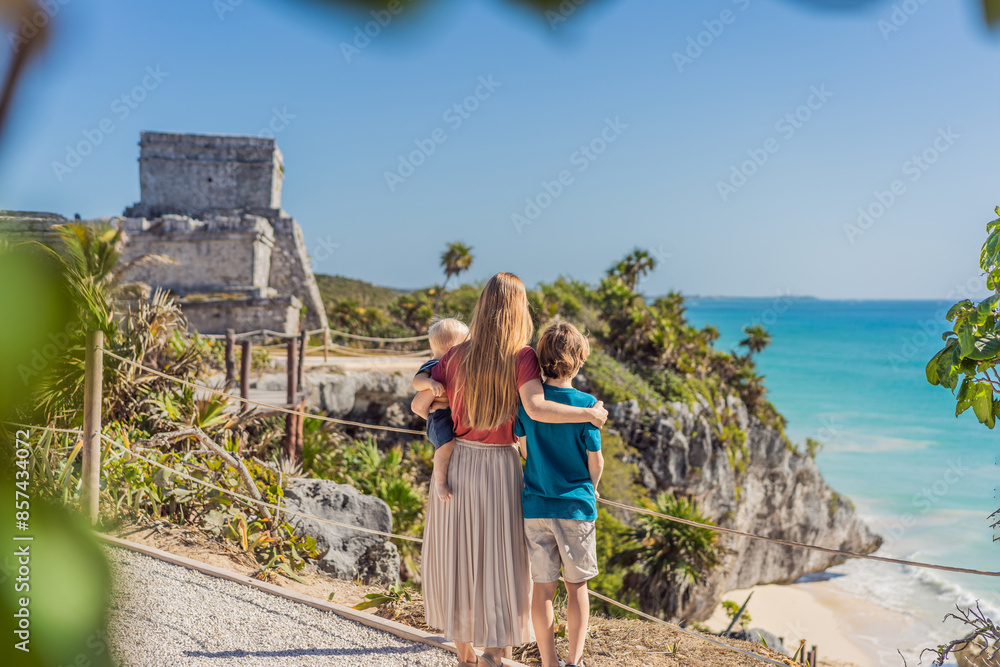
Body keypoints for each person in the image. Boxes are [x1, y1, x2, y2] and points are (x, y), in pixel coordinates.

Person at [419, 272, 608, 667]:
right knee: (500, 560)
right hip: (500, 464)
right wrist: (589, 413)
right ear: (517, 309)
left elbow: (422, 399)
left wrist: (431, 402)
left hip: (458, 463)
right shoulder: (521, 356)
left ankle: (466, 653)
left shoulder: (456, 355)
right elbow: (537, 408)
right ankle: (493, 651)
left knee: (460, 556)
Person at [515, 322, 604, 667]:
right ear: (580, 359)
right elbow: (595, 462)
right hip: (575, 507)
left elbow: (524, 450)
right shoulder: (587, 407)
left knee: (543, 589)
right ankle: (574, 661)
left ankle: (549, 662)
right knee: (576, 587)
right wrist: (592, 487)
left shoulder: (528, 402)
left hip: (535, 505)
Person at [411, 318, 470, 502]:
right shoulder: (433, 365)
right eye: (465, 344)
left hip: (446, 415)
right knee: (446, 446)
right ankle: (440, 482)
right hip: (440, 416)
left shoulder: (455, 366)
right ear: (453, 346)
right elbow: (416, 381)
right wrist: (430, 383)